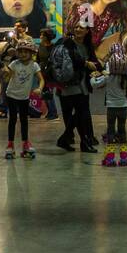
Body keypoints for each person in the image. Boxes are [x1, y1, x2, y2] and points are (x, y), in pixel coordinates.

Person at [53, 19, 98, 153]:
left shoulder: (87, 45)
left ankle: (65, 139)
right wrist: (86, 63)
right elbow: (72, 59)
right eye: (76, 27)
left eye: (81, 28)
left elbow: (93, 60)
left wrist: (98, 69)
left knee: (80, 113)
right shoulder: (67, 43)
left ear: (87, 31)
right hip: (70, 84)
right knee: (79, 113)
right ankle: (82, 142)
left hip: (83, 84)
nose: (78, 29)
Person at [0, 41, 45, 159]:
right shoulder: (14, 64)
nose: (23, 54)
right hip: (11, 95)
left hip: (24, 97)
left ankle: (25, 143)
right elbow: (7, 76)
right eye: (20, 52)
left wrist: (39, 88)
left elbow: (41, 80)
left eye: (26, 52)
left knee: (24, 120)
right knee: (13, 119)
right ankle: (10, 144)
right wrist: (5, 74)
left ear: (31, 53)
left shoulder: (34, 65)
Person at [37, 29, 59, 120]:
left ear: (47, 37)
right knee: (44, 92)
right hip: (41, 71)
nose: (41, 36)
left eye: (42, 35)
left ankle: (53, 112)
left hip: (50, 72)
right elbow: (38, 58)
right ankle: (50, 112)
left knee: (49, 92)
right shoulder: (40, 46)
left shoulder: (53, 47)